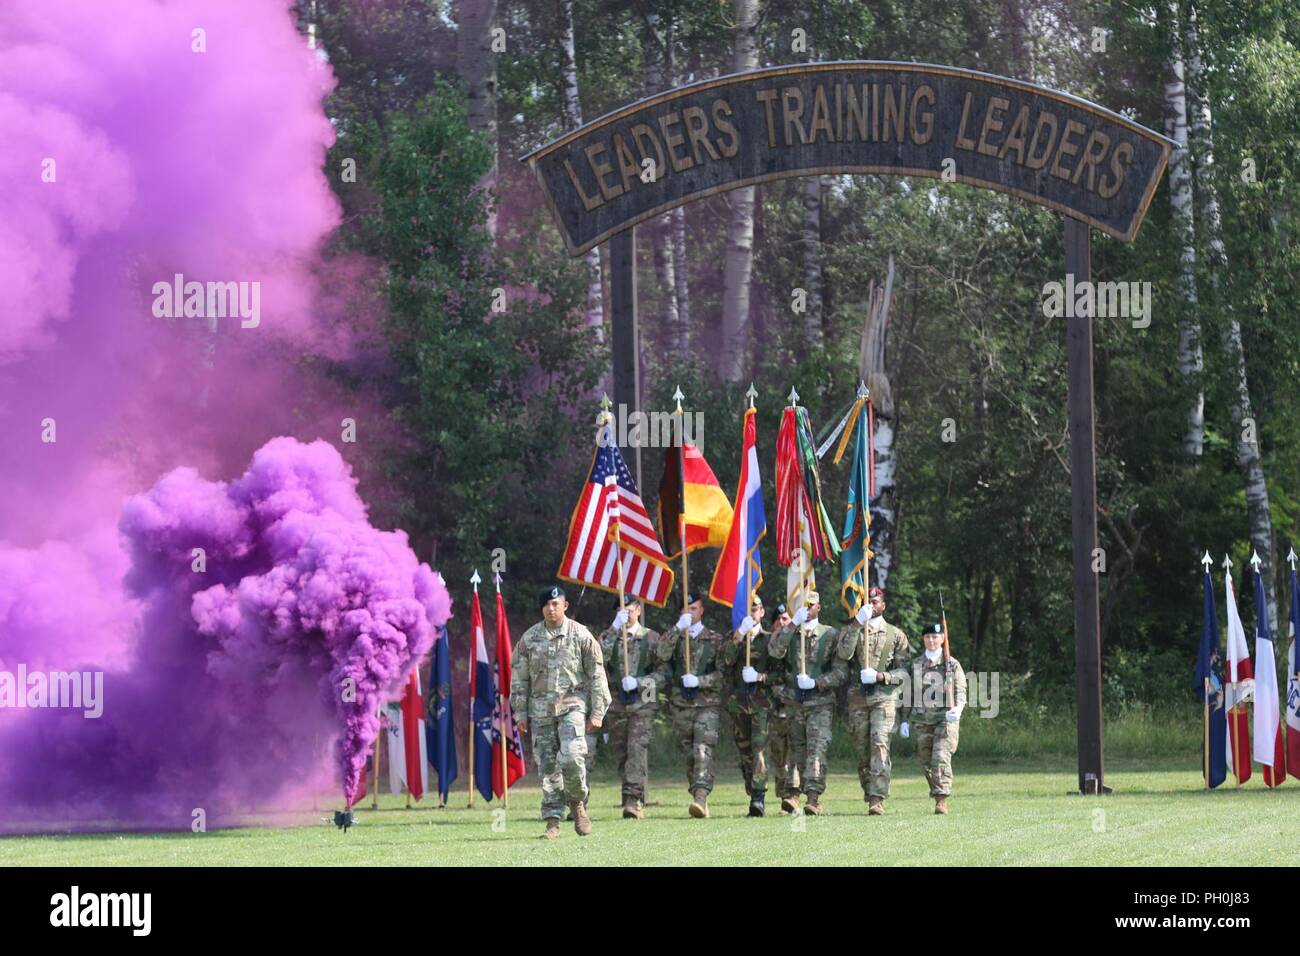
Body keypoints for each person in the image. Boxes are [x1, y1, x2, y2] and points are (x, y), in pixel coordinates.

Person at [511, 585, 611, 839]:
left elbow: (597, 676)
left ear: (565, 606)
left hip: (572, 706)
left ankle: (577, 804)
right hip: (540, 711)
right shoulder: (529, 639)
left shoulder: (581, 636)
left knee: (572, 756)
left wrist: (597, 712)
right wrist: (520, 713)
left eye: (556, 604)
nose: (551, 608)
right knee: (547, 767)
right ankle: (553, 820)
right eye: (547, 604)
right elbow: (519, 680)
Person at [833, 586, 911, 815]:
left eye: (875, 601)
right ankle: (869, 792)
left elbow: (904, 672)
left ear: (883, 605)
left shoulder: (895, 635)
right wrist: (857, 624)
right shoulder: (853, 629)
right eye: (867, 601)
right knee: (861, 748)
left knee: (879, 743)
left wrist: (881, 676)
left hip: (884, 698)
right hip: (858, 699)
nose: (871, 605)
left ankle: (877, 798)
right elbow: (843, 655)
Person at [768, 591, 841, 815]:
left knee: (817, 750)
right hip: (795, 703)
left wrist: (817, 682)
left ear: (819, 608)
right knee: (798, 752)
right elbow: (775, 651)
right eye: (803, 605)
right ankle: (796, 793)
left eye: (811, 605)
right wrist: (792, 625)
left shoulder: (830, 635)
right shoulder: (790, 633)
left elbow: (841, 673)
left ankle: (813, 798)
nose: (807, 609)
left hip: (820, 703)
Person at [657, 591, 725, 818]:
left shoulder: (715, 639)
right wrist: (678, 628)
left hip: (707, 704)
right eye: (686, 609)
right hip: (680, 704)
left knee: (702, 751)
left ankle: (701, 797)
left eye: (694, 608)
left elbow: (723, 674)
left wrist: (701, 680)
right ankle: (698, 794)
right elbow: (661, 653)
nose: (690, 612)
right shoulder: (675, 637)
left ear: (702, 610)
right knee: (689, 754)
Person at [597, 597, 666, 819]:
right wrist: (614, 628)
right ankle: (633, 794)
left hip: (643, 702)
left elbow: (664, 674)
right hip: (616, 702)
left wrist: (640, 682)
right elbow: (598, 661)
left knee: (637, 748)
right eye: (619, 611)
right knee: (622, 752)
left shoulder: (652, 638)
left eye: (627, 609)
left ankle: (633, 800)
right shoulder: (609, 638)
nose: (624, 614)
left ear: (638, 609)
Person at [719, 594, 782, 816]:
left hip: (761, 705)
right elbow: (724, 662)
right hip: (738, 705)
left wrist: (760, 677)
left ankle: (758, 799)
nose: (751, 613)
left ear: (762, 612)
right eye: (747, 610)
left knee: (759, 752)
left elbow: (781, 674)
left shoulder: (770, 639)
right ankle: (752, 788)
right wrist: (738, 636)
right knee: (745, 753)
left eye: (755, 609)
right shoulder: (733, 638)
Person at [902, 622, 967, 815]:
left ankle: (941, 799)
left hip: (945, 718)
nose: (931, 640)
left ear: (942, 639)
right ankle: (937, 789)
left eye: (935, 637)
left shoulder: (952, 665)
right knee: (926, 761)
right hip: (922, 720)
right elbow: (908, 694)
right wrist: (904, 720)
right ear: (923, 639)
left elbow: (961, 690)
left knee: (940, 757)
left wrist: (958, 708)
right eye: (928, 637)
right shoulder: (915, 665)